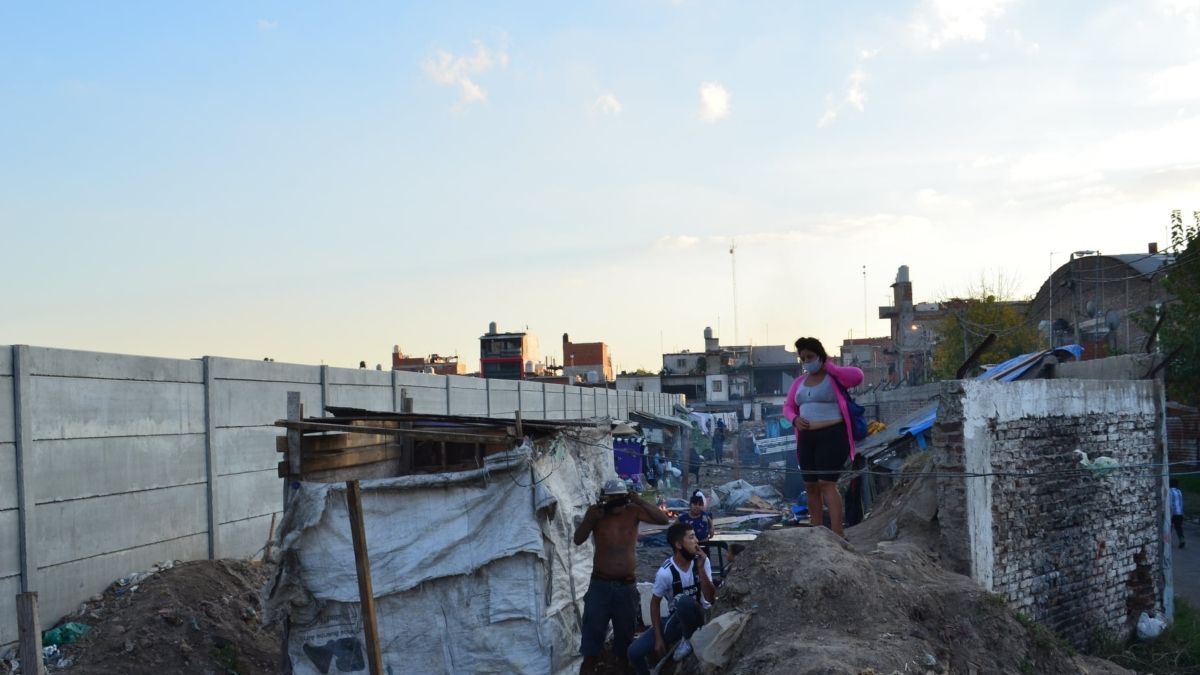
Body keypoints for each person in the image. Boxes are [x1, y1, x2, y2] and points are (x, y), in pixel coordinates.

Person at [573, 479, 670, 673]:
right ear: (605, 498)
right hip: (600, 585)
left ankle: (621, 667)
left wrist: (640, 501)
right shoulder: (596, 513)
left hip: (626, 586)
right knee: (591, 641)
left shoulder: (633, 511)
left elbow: (663, 520)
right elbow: (578, 539)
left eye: (620, 498)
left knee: (625, 641)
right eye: (612, 498)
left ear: (626, 497)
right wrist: (590, 520)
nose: (616, 502)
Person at [783, 336, 864, 538]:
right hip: (806, 438)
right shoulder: (799, 382)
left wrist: (830, 367)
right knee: (810, 485)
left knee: (827, 483)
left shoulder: (834, 377)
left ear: (820, 356)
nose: (807, 362)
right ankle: (816, 530)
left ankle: (838, 532)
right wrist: (794, 419)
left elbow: (857, 376)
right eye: (803, 359)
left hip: (832, 435)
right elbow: (788, 406)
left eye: (810, 357)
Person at [627, 522, 716, 674]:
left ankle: (688, 640)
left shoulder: (702, 562)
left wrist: (701, 569)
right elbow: (655, 604)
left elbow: (711, 598)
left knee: (682, 600)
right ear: (678, 544)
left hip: (703, 616)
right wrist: (658, 637)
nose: (696, 541)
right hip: (677, 620)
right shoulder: (665, 572)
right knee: (633, 652)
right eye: (692, 538)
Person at [1171, 479, 1185, 549]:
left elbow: (1170, 503)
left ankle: (1167, 541)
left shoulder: (1169, 491)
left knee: (1169, 527)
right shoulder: (1179, 491)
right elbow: (1181, 502)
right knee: (1178, 527)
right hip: (1180, 513)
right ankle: (1181, 539)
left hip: (1172, 513)